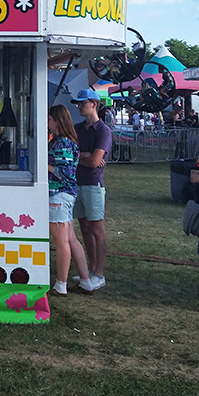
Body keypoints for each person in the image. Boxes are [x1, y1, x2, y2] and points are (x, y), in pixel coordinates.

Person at [47, 105, 93, 297]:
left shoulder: (62, 143)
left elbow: (64, 173)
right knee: (70, 239)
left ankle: (61, 284)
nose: (47, 123)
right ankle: (85, 281)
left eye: (50, 119)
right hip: (65, 195)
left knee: (61, 241)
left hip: (59, 194)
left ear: (58, 121)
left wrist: (46, 166)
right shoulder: (63, 141)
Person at [71, 88, 111, 289]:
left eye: (82, 103)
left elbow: (95, 161)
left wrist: (84, 157)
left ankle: (99, 273)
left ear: (94, 104)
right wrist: (85, 157)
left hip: (93, 184)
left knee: (96, 229)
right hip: (78, 182)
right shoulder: (77, 128)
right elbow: (72, 154)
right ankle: (91, 271)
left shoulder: (103, 130)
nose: (79, 106)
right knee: (85, 227)